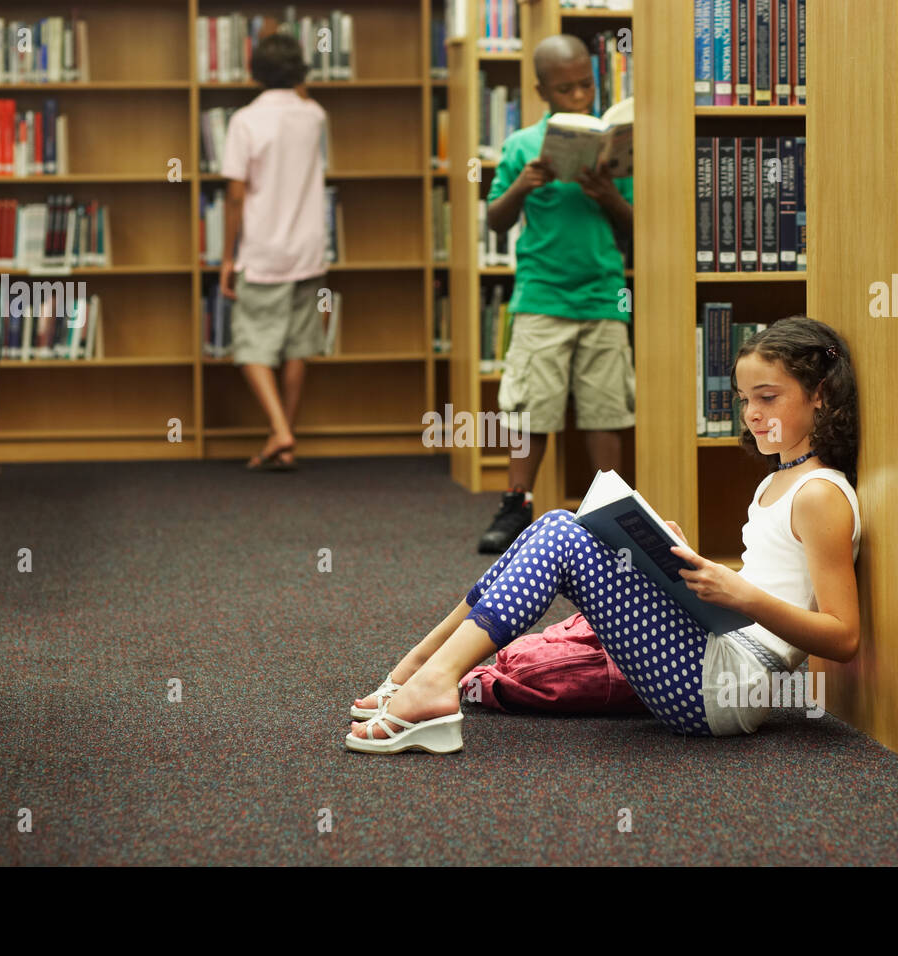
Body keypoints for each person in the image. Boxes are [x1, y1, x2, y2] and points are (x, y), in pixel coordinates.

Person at [346, 316, 861, 753]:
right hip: (717, 648)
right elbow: (771, 585)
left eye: (768, 398)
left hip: (730, 686)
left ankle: (431, 679)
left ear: (820, 396)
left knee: (561, 535)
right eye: (745, 399)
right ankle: (419, 669)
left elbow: (843, 636)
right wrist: (680, 559)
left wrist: (740, 594)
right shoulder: (778, 480)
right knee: (556, 525)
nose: (752, 414)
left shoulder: (820, 494)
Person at [477, 34, 635, 553]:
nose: (578, 97)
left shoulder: (614, 148)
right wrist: (522, 185)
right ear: (542, 89)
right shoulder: (523, 145)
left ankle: (611, 510)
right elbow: (496, 221)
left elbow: (634, 230)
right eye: (564, 89)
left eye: (585, 86)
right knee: (530, 407)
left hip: (603, 294)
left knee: (606, 408)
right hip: (541, 296)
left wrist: (608, 193)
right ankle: (515, 504)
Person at [220, 32, 327, 472]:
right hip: (308, 246)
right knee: (298, 346)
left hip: (264, 249)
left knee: (251, 348)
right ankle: (283, 439)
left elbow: (235, 194)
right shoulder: (315, 115)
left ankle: (280, 430)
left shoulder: (245, 120)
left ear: (253, 73)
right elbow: (300, 97)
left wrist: (228, 256)